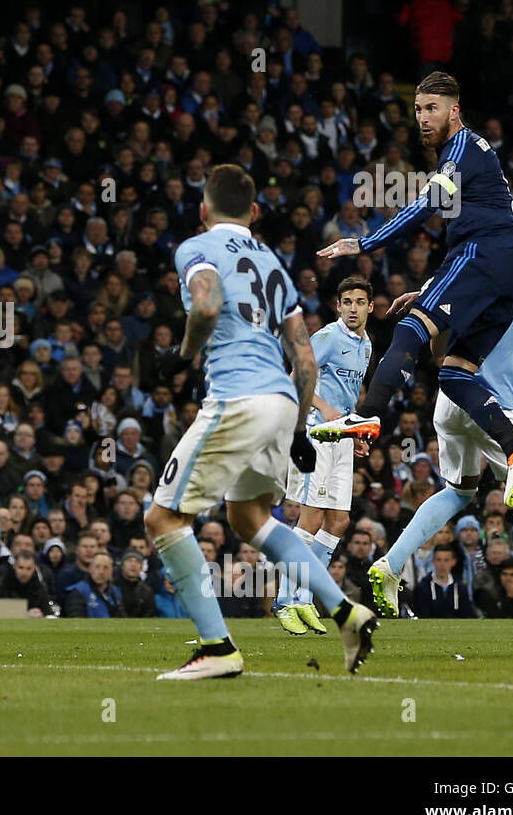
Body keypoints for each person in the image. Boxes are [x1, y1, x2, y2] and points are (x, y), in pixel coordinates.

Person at [143, 164, 377, 680]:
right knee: (249, 519)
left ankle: (217, 647)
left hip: (237, 397)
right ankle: (346, 611)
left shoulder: (195, 247)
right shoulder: (273, 261)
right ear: (254, 213)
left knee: (161, 520)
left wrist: (182, 355)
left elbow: (204, 306)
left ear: (203, 211)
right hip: (280, 400)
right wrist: (295, 431)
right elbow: (305, 360)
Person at [314, 72, 513, 508]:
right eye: (417, 109)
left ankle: (365, 417)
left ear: (454, 110)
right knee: (456, 374)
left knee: (409, 331)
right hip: (504, 271)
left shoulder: (458, 150)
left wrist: (364, 242)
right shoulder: (476, 151)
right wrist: (434, 285)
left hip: (481, 258)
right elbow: (475, 226)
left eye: (431, 108)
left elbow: (427, 205)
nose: (422, 117)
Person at [369, 245, 513, 630]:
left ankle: (391, 564)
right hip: (496, 406)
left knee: (459, 490)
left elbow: (439, 353)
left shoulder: (453, 273)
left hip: (452, 400)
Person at [275, 275, 373, 635]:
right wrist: (325, 408)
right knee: (311, 518)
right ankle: (285, 599)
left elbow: (349, 395)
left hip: (342, 436)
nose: (352, 308)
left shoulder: (366, 346)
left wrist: (356, 431)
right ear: (338, 306)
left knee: (339, 522)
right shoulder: (328, 337)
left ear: (370, 307)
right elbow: (295, 376)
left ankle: (304, 596)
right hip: (316, 431)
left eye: (359, 302)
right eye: (347, 301)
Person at [414, 543, 476, 619]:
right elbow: (423, 616)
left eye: (446, 560)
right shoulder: (422, 588)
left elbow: (467, 615)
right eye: (438, 560)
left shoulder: (460, 588)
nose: (442, 564)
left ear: (453, 562)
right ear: (433, 561)